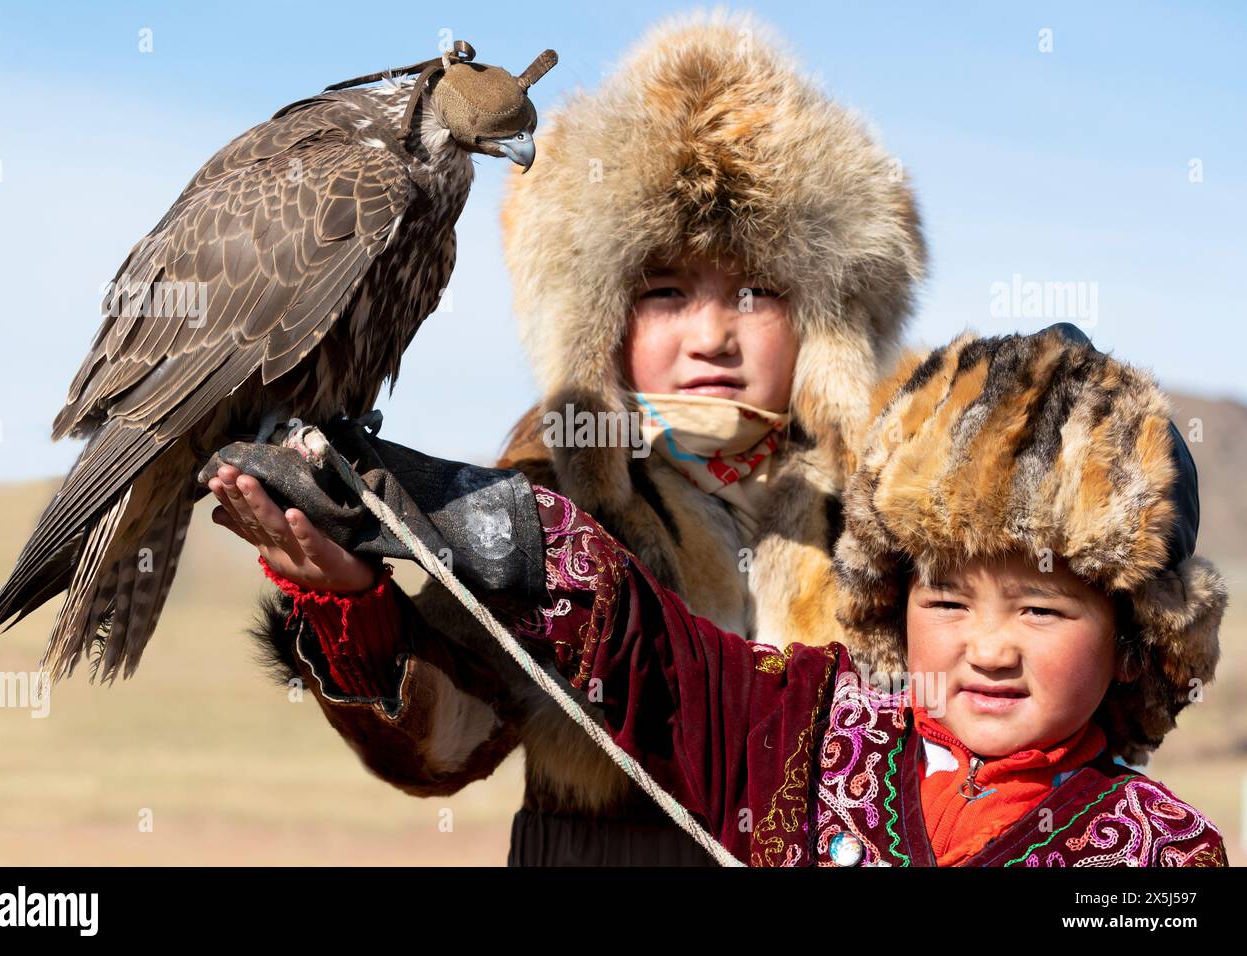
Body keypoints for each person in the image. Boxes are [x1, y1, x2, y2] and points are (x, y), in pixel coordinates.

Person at [220, 10, 926, 865]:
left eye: (756, 292)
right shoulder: (545, 491)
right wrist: (357, 609)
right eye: (664, 291)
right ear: (601, 320)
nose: (712, 336)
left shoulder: (903, 502)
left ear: (829, 314)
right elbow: (448, 745)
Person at [230, 324, 1227, 866]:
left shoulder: (1155, 854)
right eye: (949, 598)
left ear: (1135, 635)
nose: (988, 647)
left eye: (1042, 607)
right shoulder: (814, 718)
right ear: (890, 594)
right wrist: (424, 511)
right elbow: (640, 645)